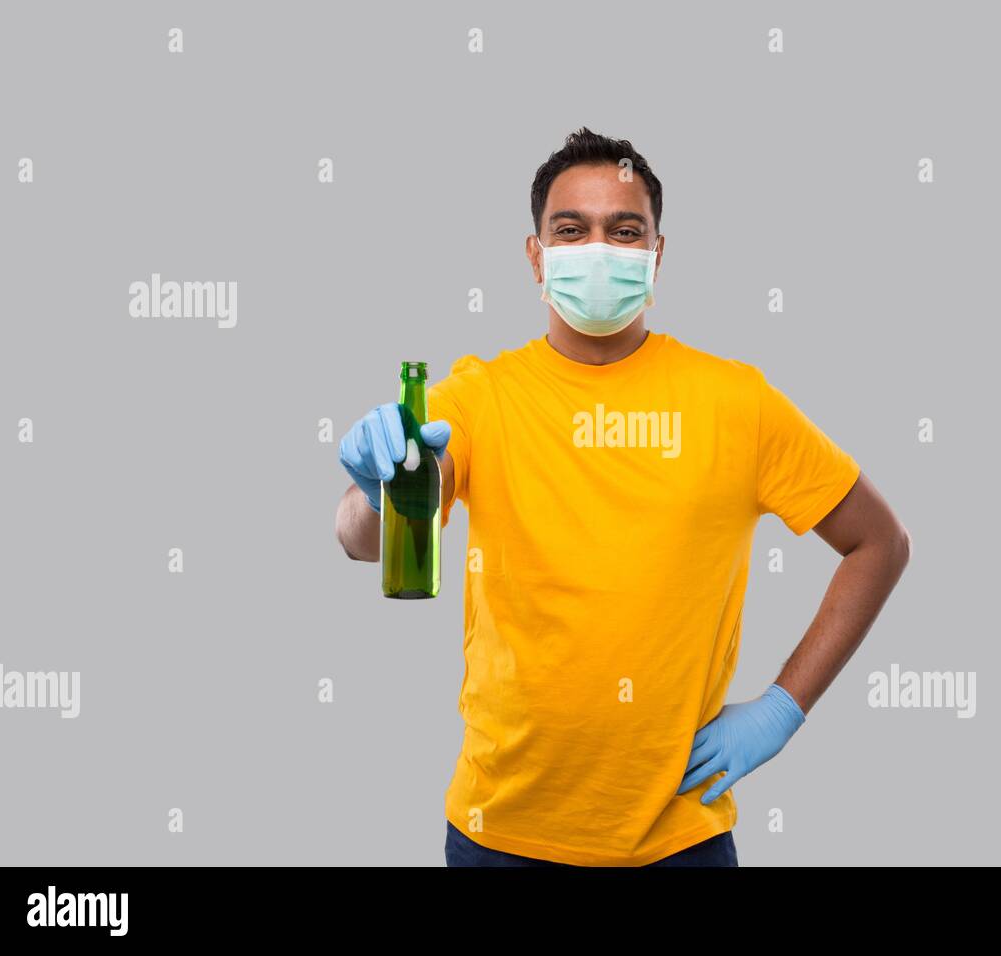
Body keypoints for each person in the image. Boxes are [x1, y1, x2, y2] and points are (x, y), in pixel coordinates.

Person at [335, 128, 912, 867]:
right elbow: (362, 540)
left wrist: (782, 709)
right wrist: (374, 490)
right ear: (536, 256)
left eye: (625, 229)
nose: (597, 248)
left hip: (680, 837)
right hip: (499, 833)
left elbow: (879, 543)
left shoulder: (737, 402)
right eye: (570, 230)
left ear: (657, 254)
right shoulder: (477, 399)